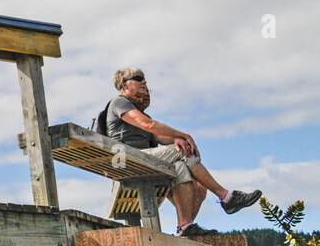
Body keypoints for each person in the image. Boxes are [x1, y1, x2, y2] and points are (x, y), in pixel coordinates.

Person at [104, 67, 260, 236]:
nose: (144, 82)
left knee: (194, 182)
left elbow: (159, 136)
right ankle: (227, 197)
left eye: (145, 80)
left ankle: (185, 226)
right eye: (137, 78)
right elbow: (148, 125)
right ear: (123, 85)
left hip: (144, 159)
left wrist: (178, 139)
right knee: (182, 152)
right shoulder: (119, 102)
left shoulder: (138, 111)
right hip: (127, 160)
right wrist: (183, 135)